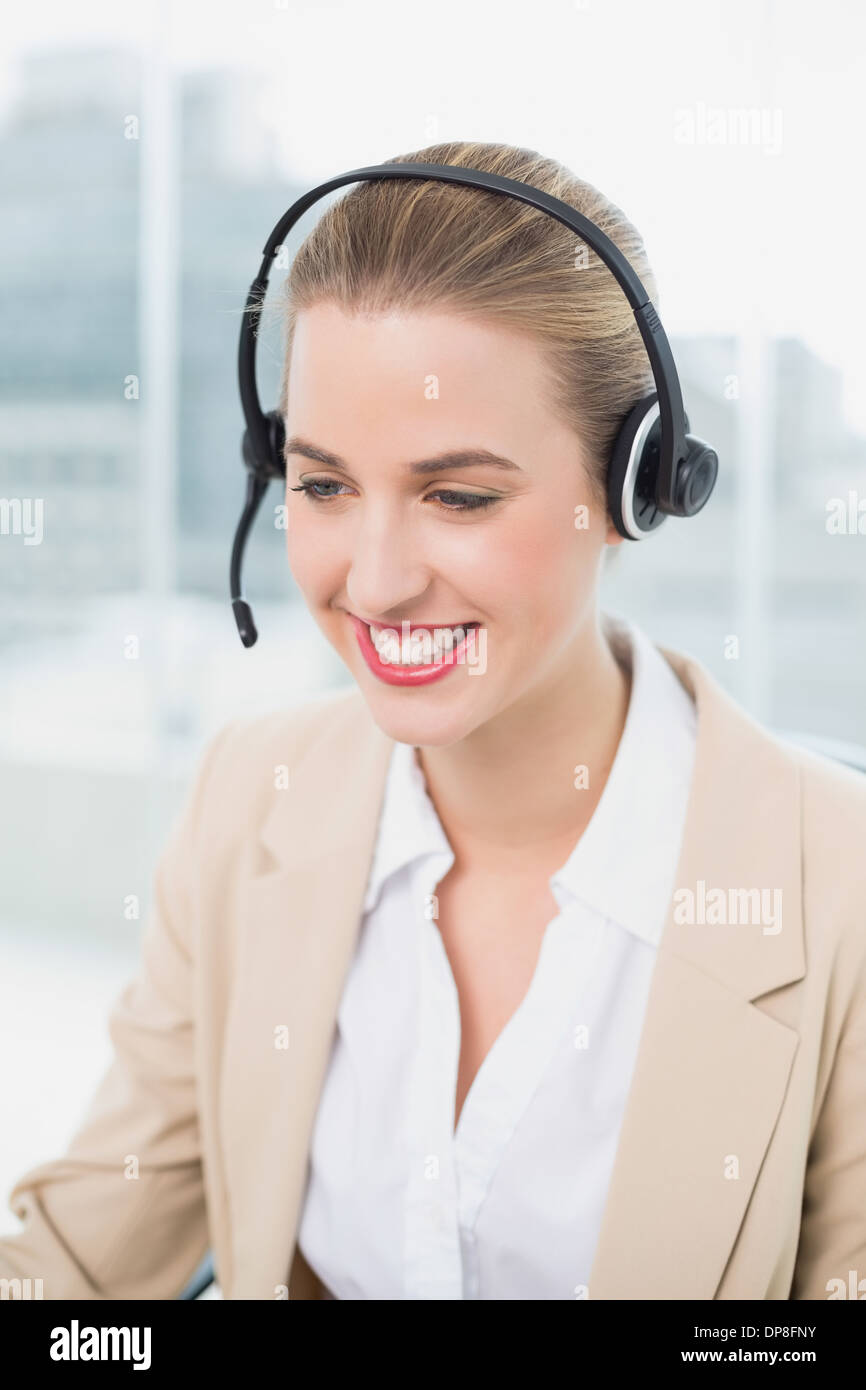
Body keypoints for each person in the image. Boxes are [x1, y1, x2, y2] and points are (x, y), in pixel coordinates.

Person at [2, 140, 865, 1301]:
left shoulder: (836, 881)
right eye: (320, 484)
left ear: (633, 487)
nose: (373, 580)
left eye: (457, 495)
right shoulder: (249, 796)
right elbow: (82, 1267)